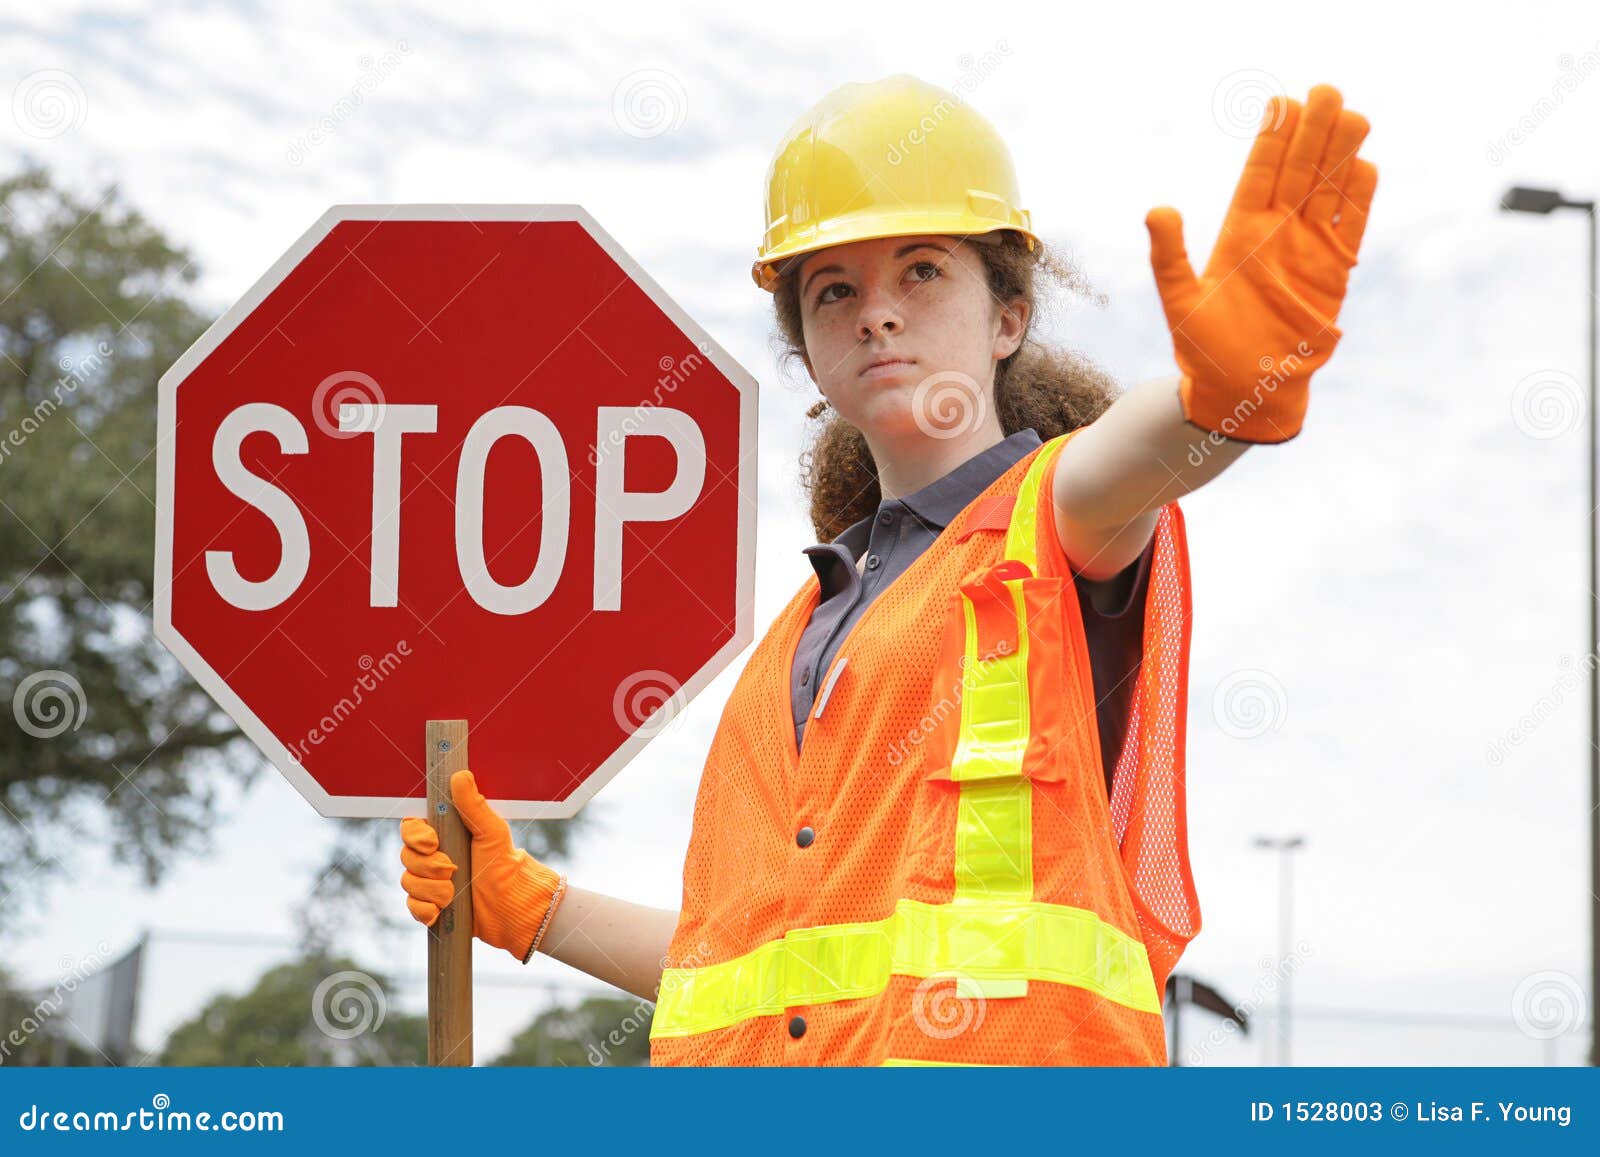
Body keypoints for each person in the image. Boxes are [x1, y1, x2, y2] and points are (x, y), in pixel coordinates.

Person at [399, 73, 1377, 1065]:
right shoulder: (795, 636)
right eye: (836, 290)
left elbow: (1149, 452)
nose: (877, 314)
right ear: (807, 349)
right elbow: (743, 968)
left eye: (920, 271)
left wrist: (1227, 395)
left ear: (1007, 317)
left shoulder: (1053, 516)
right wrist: (533, 905)